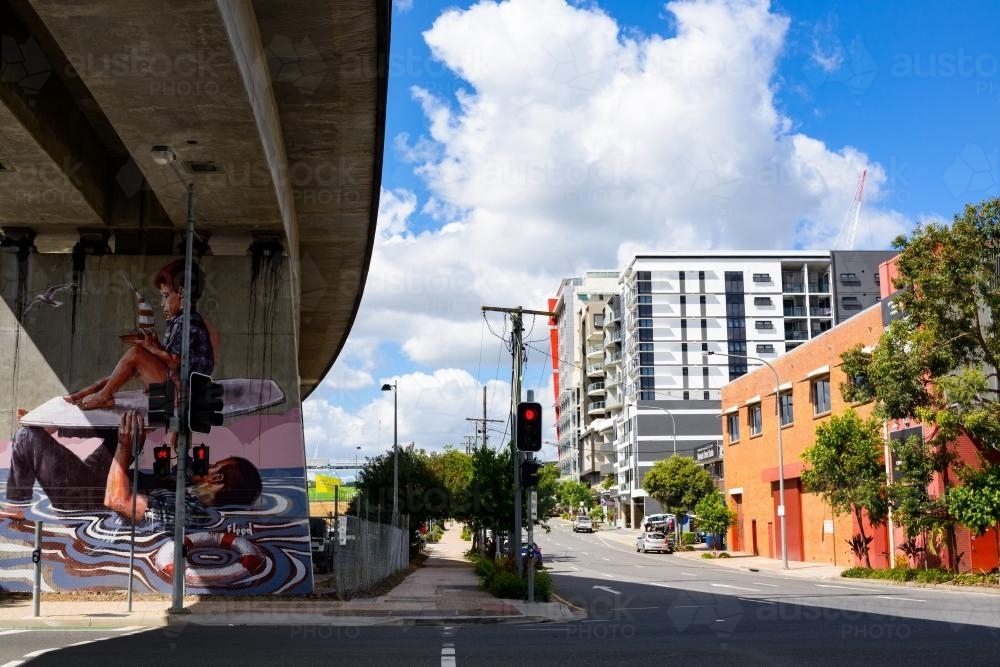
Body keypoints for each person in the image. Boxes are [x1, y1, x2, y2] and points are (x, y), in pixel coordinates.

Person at [3, 411, 260, 531]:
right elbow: (178, 461)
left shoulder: (188, 509)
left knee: (27, 436)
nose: (208, 465)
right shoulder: (190, 488)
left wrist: (126, 446)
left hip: (85, 498)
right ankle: (57, 427)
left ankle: (15, 507)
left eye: (214, 466)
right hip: (103, 479)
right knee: (119, 425)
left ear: (217, 477)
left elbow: (117, 500)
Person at [64, 258, 215, 410]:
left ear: (181, 292)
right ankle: (89, 392)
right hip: (181, 386)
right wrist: (155, 345)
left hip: (183, 392)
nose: (162, 303)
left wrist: (151, 348)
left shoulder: (186, 322)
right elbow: (175, 357)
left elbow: (174, 360)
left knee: (135, 354)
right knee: (130, 366)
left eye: (165, 296)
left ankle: (103, 396)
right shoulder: (182, 320)